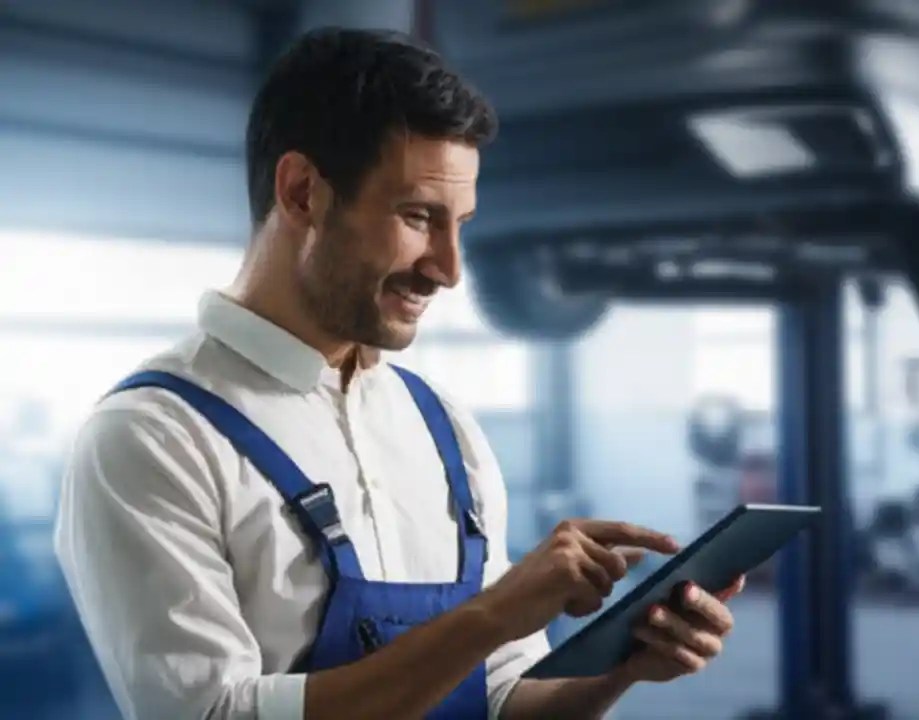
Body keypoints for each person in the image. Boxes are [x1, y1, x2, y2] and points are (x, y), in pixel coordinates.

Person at [54, 27, 744, 720]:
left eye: (460, 224)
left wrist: (621, 669)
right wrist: (491, 615)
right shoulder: (152, 439)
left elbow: (500, 695)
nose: (448, 269)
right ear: (301, 194)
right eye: (418, 217)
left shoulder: (443, 427)